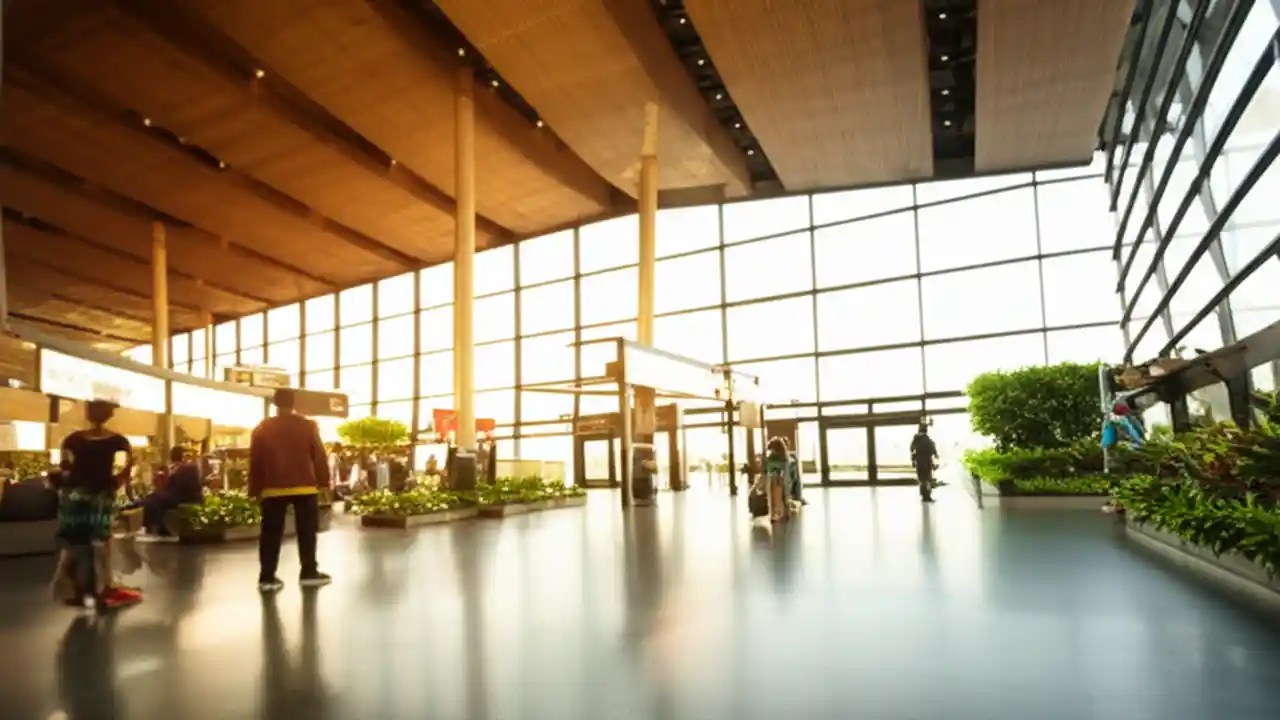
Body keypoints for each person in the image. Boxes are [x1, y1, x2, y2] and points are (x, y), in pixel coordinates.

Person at [54, 399, 138, 608]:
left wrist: (73, 486)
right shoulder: (119, 441)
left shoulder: (72, 439)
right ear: (109, 414)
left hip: (75, 499)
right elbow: (125, 469)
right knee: (102, 540)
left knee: (76, 542)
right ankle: (104, 586)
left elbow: (65, 468)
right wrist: (114, 484)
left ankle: (75, 588)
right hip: (101, 498)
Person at [249, 389, 332, 593]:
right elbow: (318, 456)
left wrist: (254, 490)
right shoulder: (308, 426)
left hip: (272, 488)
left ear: (274, 404)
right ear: (294, 403)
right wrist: (324, 483)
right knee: (307, 532)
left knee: (270, 534)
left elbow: (255, 461)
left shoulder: (263, 428)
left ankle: (267, 577)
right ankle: (309, 572)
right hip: (305, 486)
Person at [134, 446, 204, 535]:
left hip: (178, 499)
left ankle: (143, 515)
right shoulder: (187, 470)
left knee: (152, 502)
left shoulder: (187, 470)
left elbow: (174, 490)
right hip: (177, 497)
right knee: (152, 500)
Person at [762, 438, 795, 522]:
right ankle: (782, 512)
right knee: (783, 496)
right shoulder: (783, 457)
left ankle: (777, 513)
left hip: (777, 478)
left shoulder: (776, 457)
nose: (771, 450)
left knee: (778, 496)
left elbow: (768, 468)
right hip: (779, 478)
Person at [910, 423, 938, 503]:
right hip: (926, 462)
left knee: (922, 480)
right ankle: (927, 496)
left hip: (919, 462)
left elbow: (912, 449)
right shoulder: (927, 439)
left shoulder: (916, 439)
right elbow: (932, 449)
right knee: (927, 479)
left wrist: (913, 460)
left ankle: (923, 495)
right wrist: (935, 455)